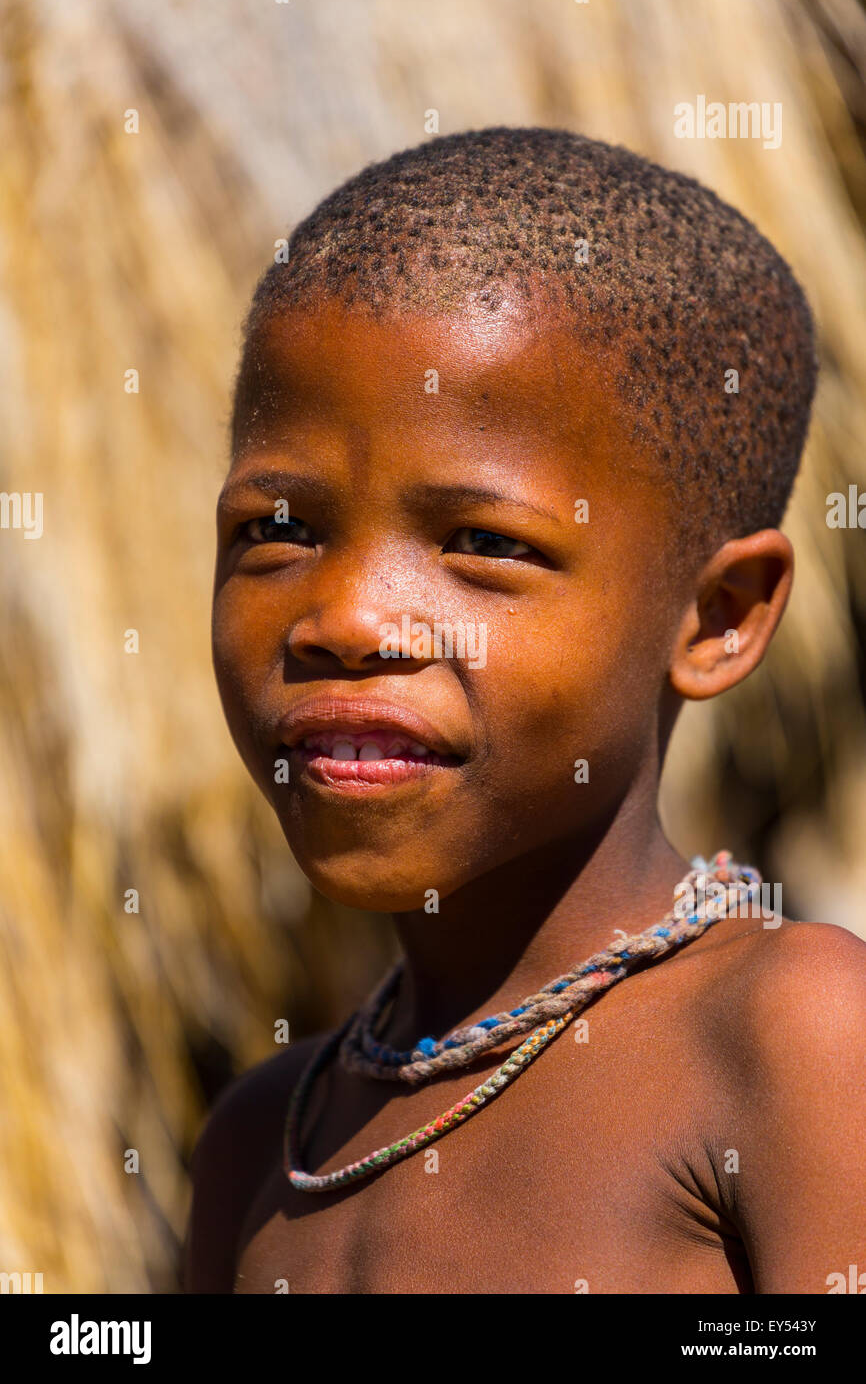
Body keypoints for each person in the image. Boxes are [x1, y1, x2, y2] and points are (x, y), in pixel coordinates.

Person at [184, 127, 866, 1294]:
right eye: (278, 528)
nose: (346, 619)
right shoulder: (264, 1142)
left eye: (484, 544)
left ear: (715, 618)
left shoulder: (791, 1038)